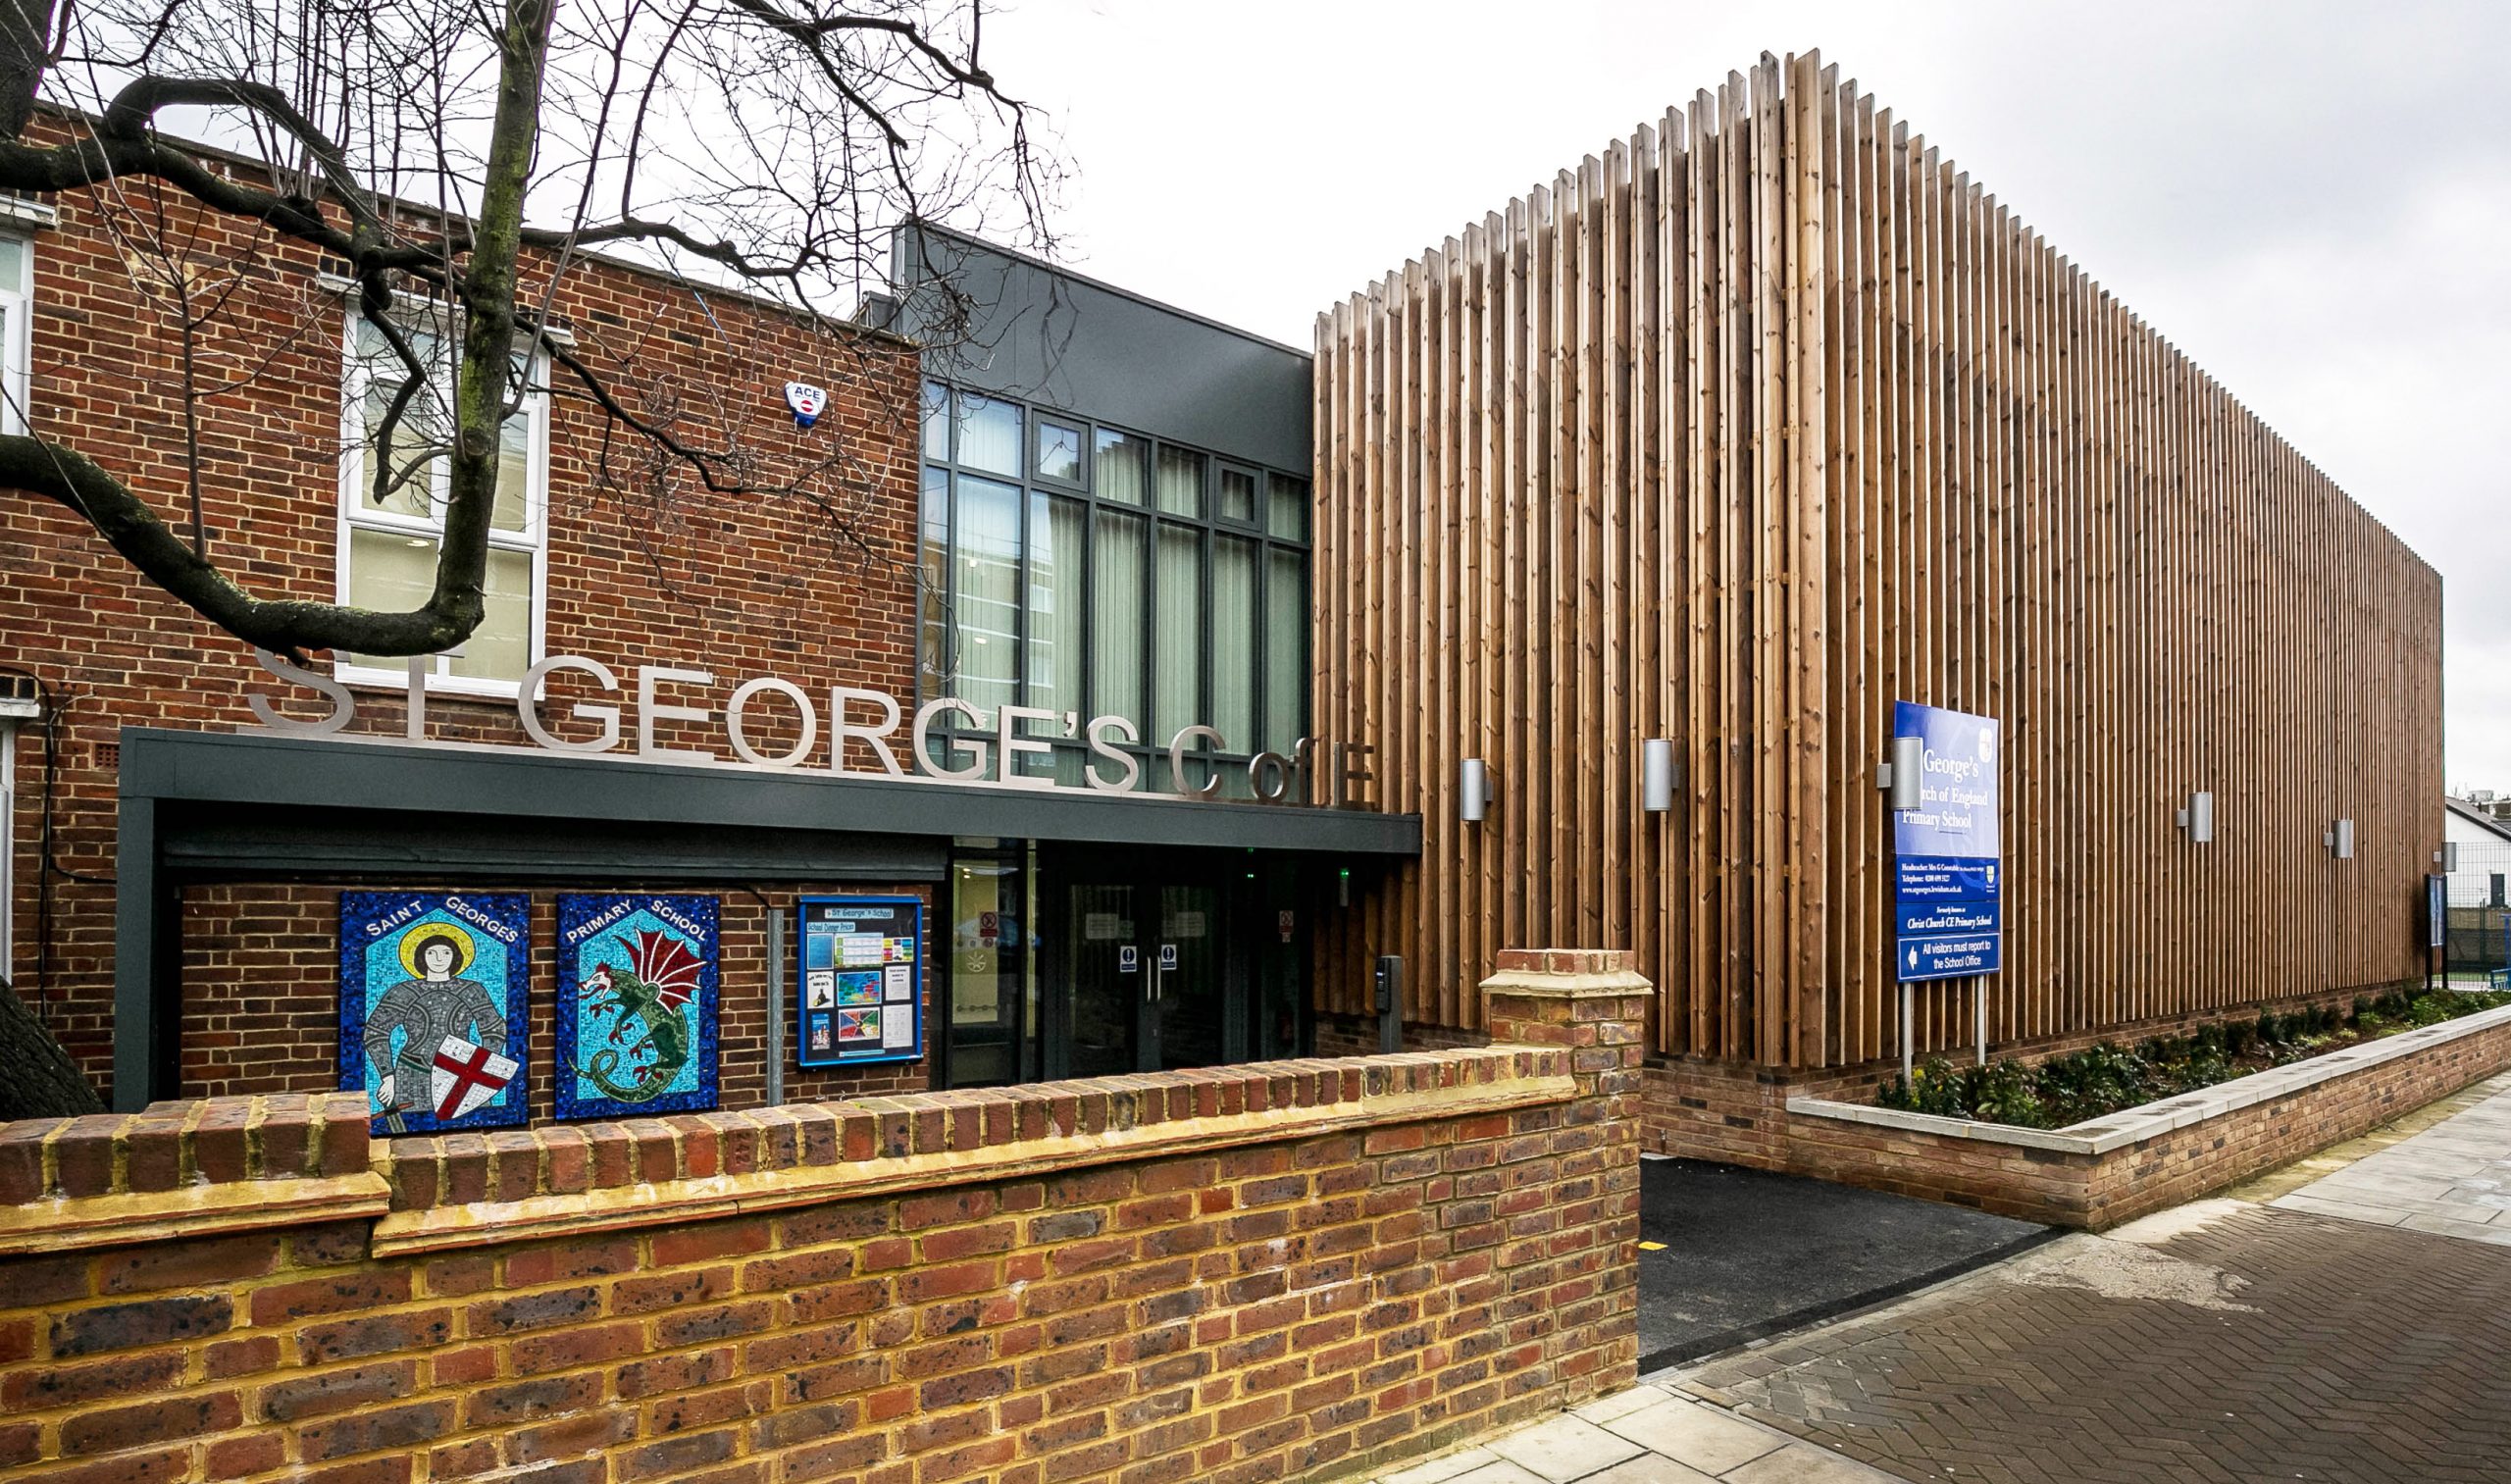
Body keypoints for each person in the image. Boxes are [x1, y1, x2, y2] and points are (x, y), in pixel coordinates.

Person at [364, 928, 507, 1118]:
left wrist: (482, 1069)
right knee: (413, 1121)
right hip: (414, 1074)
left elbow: (494, 1030)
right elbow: (375, 1032)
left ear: (455, 957)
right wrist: (388, 1076)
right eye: (431, 953)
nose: (439, 959)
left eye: (446, 953)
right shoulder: (404, 991)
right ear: (421, 957)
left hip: (462, 1073)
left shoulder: (471, 990)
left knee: (472, 1120)